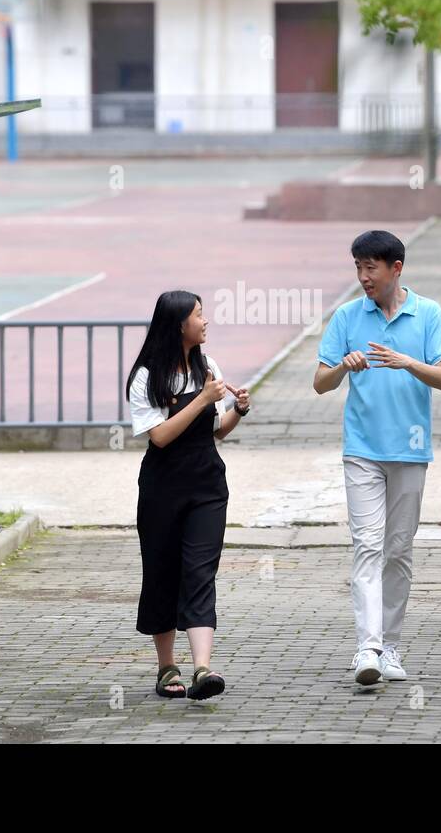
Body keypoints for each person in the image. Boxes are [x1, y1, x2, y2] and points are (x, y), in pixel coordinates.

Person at [314, 230, 441, 687]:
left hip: (411, 451)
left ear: (396, 268)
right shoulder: (347, 316)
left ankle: (391, 645)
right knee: (367, 546)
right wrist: (343, 367)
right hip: (362, 450)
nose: (363, 276)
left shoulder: (429, 314)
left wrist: (406, 362)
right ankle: (368, 647)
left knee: (398, 550)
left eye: (370, 267)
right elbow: (320, 382)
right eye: (358, 267)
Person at [127, 290, 251, 700]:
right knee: (162, 573)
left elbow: (215, 431)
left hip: (206, 485)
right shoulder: (147, 376)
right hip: (162, 488)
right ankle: (167, 668)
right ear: (179, 324)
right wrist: (202, 399)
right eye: (199, 315)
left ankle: (203, 669)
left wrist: (237, 409)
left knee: (200, 572)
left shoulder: (208, 366)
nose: (205, 321)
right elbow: (160, 436)